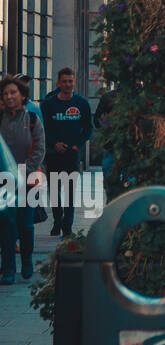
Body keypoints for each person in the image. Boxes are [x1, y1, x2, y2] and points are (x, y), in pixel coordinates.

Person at [0, 77, 44, 281]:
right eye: (6, 93)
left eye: (13, 93)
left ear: (23, 96)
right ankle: (8, 269)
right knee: (6, 224)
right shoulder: (1, 119)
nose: (9, 96)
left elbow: (39, 149)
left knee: (25, 224)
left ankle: (26, 261)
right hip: (4, 181)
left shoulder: (33, 119)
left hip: (27, 179)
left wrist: (23, 171)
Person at [40, 67, 92, 238]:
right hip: (54, 154)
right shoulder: (48, 104)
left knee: (70, 191)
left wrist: (78, 144)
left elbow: (88, 129)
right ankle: (57, 220)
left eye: (70, 81)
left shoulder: (81, 103)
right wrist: (54, 143)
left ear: (74, 82)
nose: (68, 84)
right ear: (58, 83)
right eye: (64, 81)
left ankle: (67, 226)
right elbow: (43, 129)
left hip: (72, 154)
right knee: (55, 190)